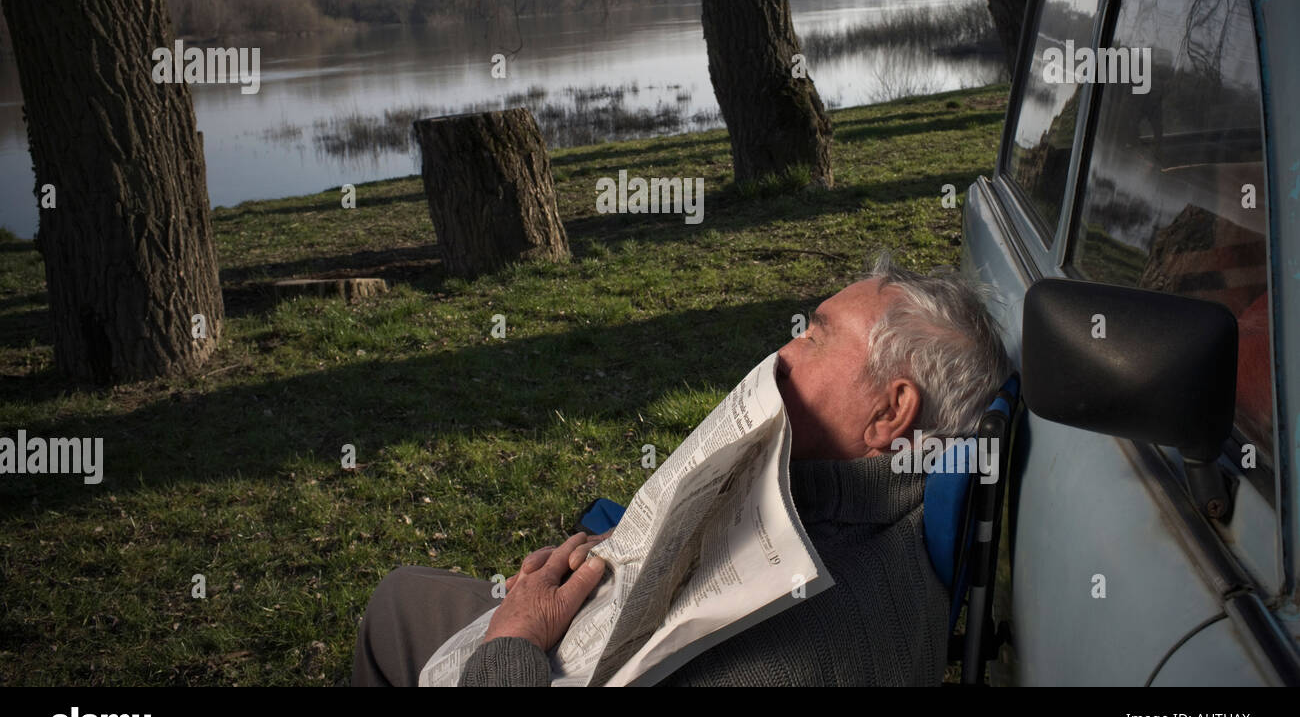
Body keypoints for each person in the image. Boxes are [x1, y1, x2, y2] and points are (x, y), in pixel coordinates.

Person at [351, 256, 1009, 686]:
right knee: (405, 595)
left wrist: (516, 637)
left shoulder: (797, 651)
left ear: (890, 412)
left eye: (814, 337)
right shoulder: (890, 508)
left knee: (394, 611)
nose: (782, 352)